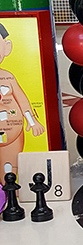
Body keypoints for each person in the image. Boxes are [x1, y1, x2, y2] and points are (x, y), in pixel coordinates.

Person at [0, 22, 46, 176]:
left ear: (7, 47)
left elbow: (22, 100)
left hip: (13, 134)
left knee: (10, 167)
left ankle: (11, 194)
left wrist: (33, 122)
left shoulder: (9, 78)